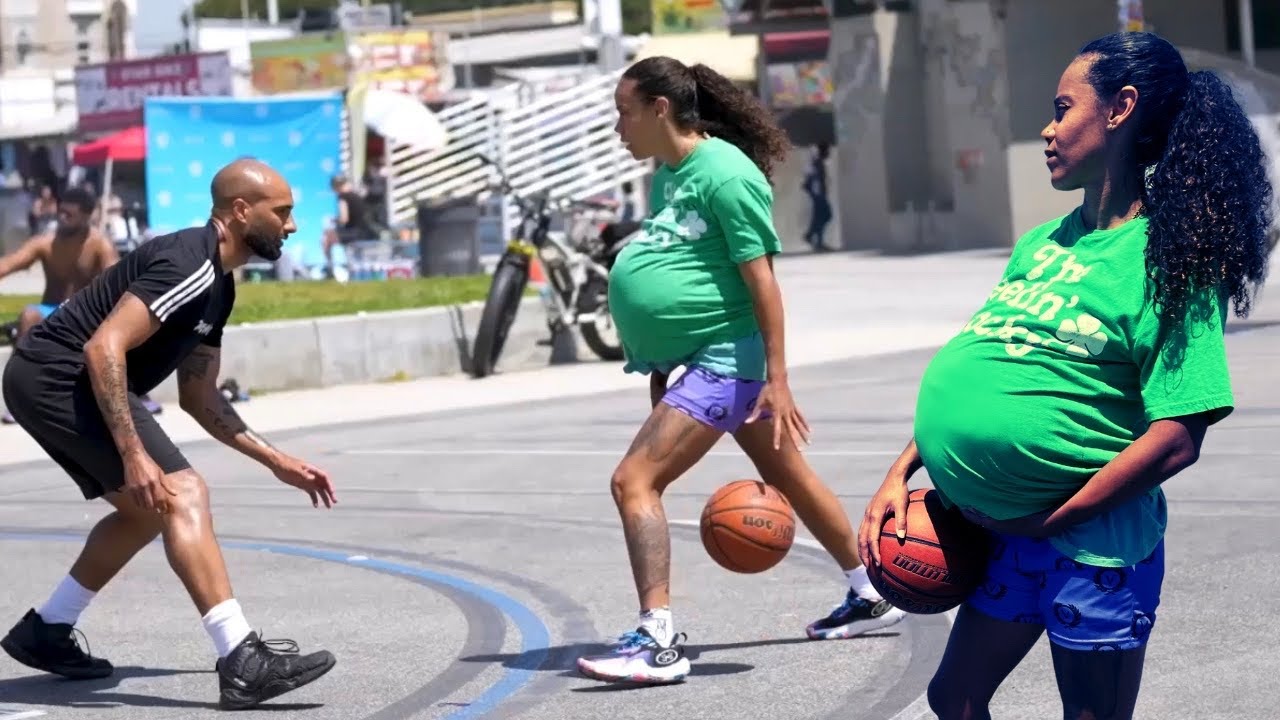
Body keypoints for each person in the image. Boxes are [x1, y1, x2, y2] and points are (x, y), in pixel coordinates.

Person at [857, 32, 1272, 720]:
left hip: (1094, 550)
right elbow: (991, 360)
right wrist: (900, 472)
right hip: (1008, 539)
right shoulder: (1039, 245)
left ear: (1120, 109)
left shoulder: (1169, 262)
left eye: (1062, 109)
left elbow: (1179, 434)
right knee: (954, 697)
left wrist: (1056, 518)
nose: (1048, 130)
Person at [575, 56, 906, 686]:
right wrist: (662, 365)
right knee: (788, 473)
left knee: (633, 481)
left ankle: (656, 640)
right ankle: (870, 591)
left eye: (624, 113)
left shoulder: (727, 175)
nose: (618, 128)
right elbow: (686, 265)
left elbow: (763, 283)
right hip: (702, 361)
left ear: (660, 109)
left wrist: (778, 379)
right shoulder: (669, 176)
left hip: (726, 363)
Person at [0, 158, 340, 711]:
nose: (292, 225)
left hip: (49, 377)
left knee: (147, 510)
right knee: (182, 492)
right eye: (282, 212)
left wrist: (275, 460)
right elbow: (103, 348)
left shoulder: (218, 287)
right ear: (240, 211)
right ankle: (241, 659)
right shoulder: (189, 263)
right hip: (57, 375)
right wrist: (134, 454)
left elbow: (200, 397)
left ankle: (48, 629)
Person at [0, 187, 164, 424]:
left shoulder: (99, 244)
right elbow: (8, 264)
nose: (62, 218)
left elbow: (119, 282)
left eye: (69, 215)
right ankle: (20, 401)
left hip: (85, 313)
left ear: (87, 215)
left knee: (122, 319)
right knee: (29, 315)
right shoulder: (45, 243)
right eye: (60, 212)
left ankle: (135, 392)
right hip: (52, 311)